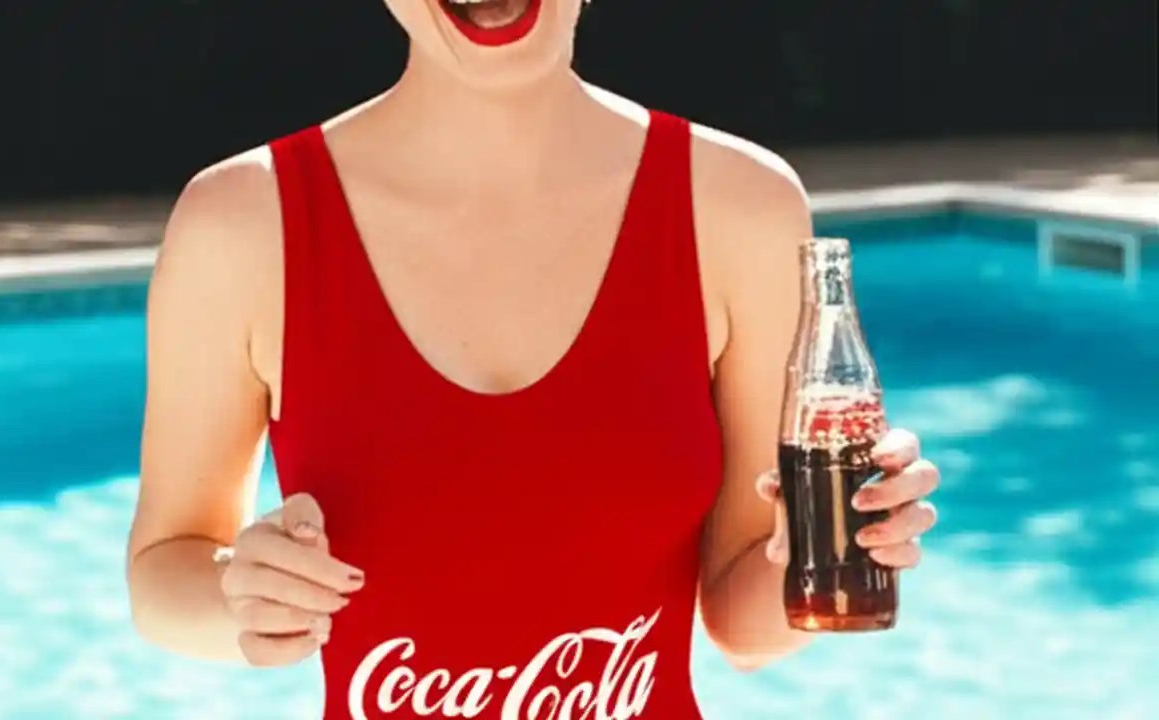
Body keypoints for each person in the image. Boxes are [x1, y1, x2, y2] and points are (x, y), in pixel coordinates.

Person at [126, 1, 940, 717]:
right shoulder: (241, 222)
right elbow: (162, 575)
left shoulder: (741, 207)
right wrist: (239, 596)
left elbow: (742, 623)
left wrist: (839, 548)